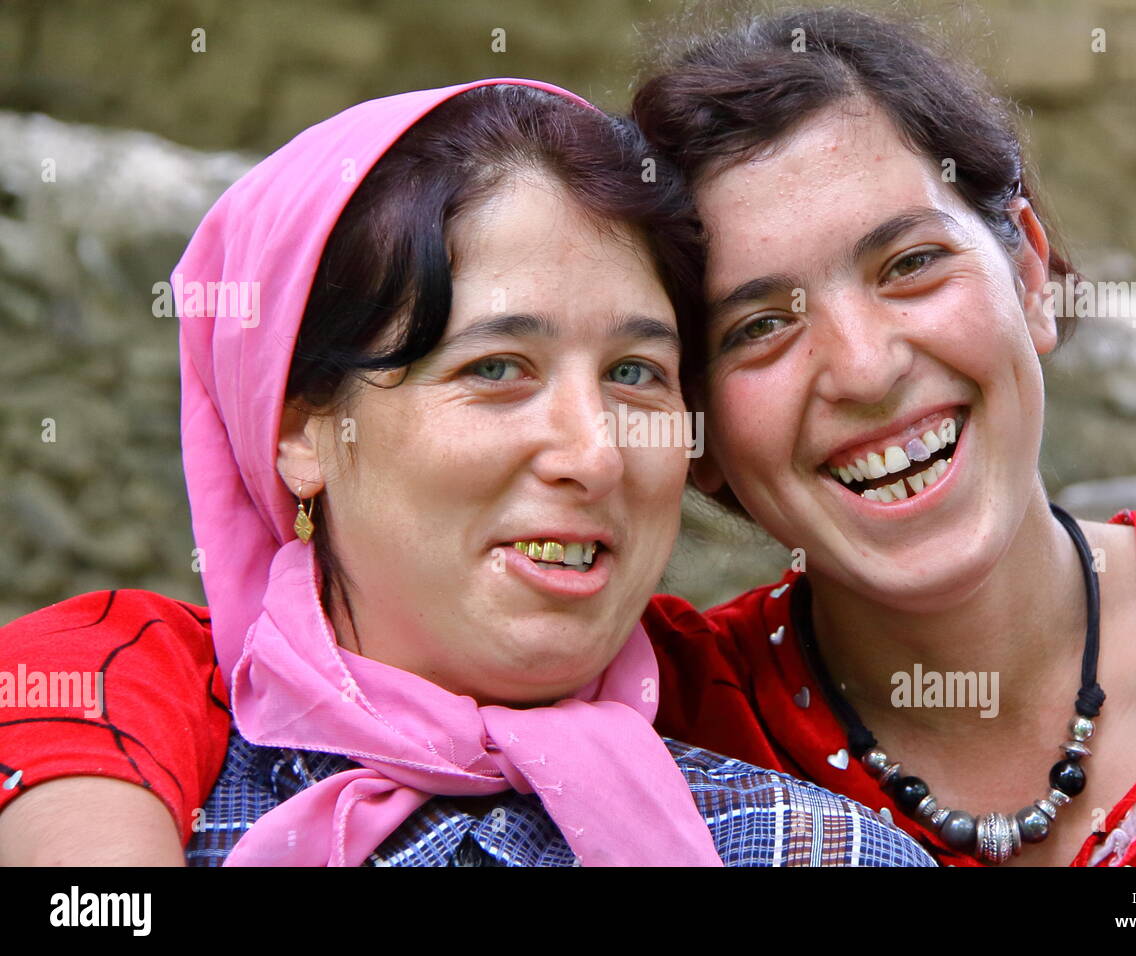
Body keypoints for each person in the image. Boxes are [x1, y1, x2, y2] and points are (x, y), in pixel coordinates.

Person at [6, 7, 1136, 867]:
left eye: (909, 263)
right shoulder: (652, 686)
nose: (863, 366)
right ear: (705, 441)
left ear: (1028, 270)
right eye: (758, 325)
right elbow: (174, 659)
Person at [0, 76, 936, 867]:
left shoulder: (807, 848)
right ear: (302, 434)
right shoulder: (113, 797)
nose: (594, 453)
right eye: (496, 369)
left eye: (634, 374)